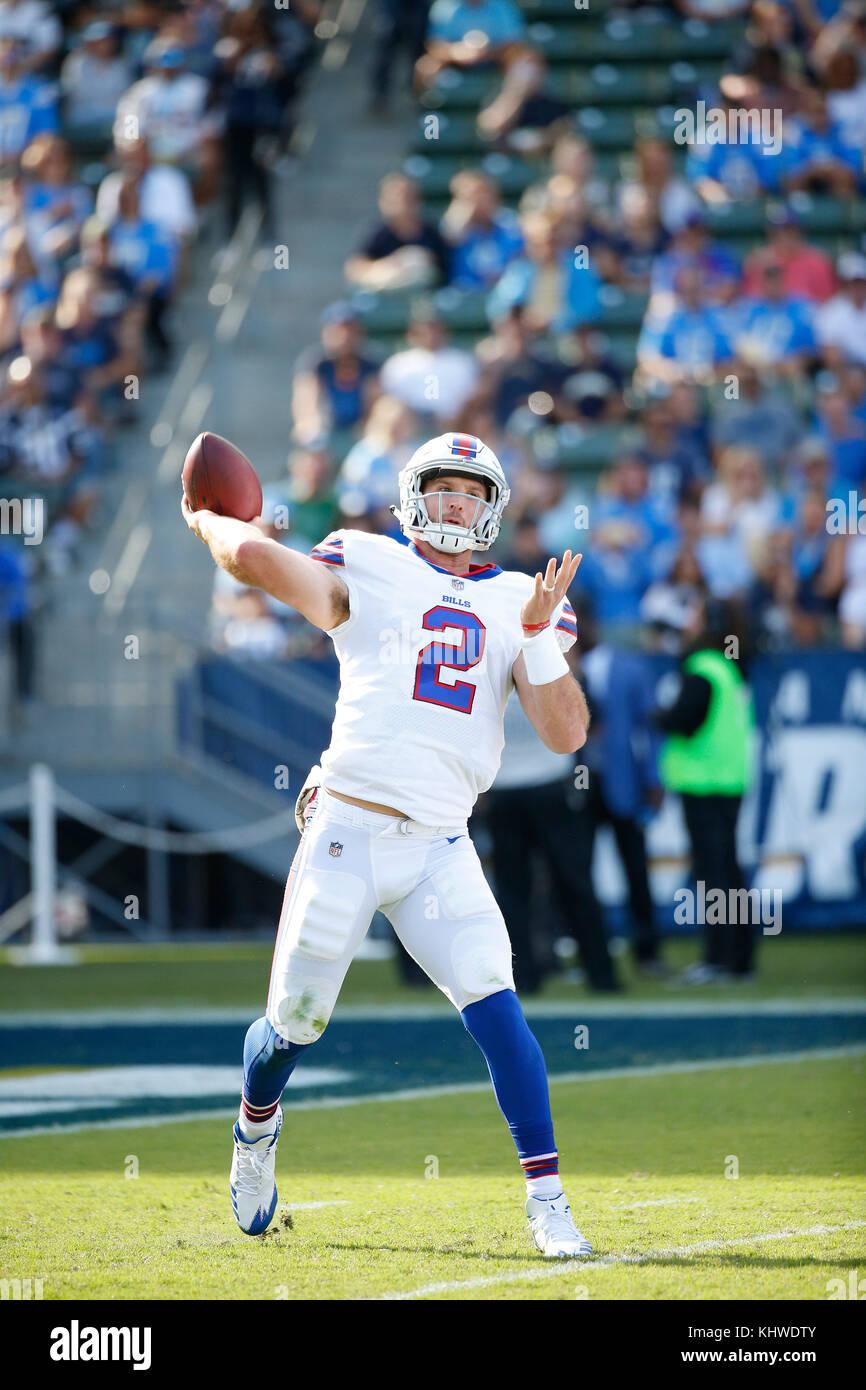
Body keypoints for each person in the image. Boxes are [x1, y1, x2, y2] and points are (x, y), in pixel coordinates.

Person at [183, 430, 595, 1258]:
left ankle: (549, 1203)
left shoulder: (522, 594)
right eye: (443, 489)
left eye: (471, 494)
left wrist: (539, 633)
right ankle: (254, 1130)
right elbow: (260, 565)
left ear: (492, 510)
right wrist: (209, 522)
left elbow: (565, 734)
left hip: (440, 843)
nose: (455, 505)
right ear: (413, 496)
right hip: (348, 827)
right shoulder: (368, 559)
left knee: (498, 1004)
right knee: (295, 1021)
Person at [654, 600, 756, 983]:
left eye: (695, 617)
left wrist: (657, 716)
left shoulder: (704, 669)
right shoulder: (728, 668)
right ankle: (739, 959)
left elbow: (685, 720)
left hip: (704, 782)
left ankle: (719, 958)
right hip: (727, 781)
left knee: (714, 874)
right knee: (728, 870)